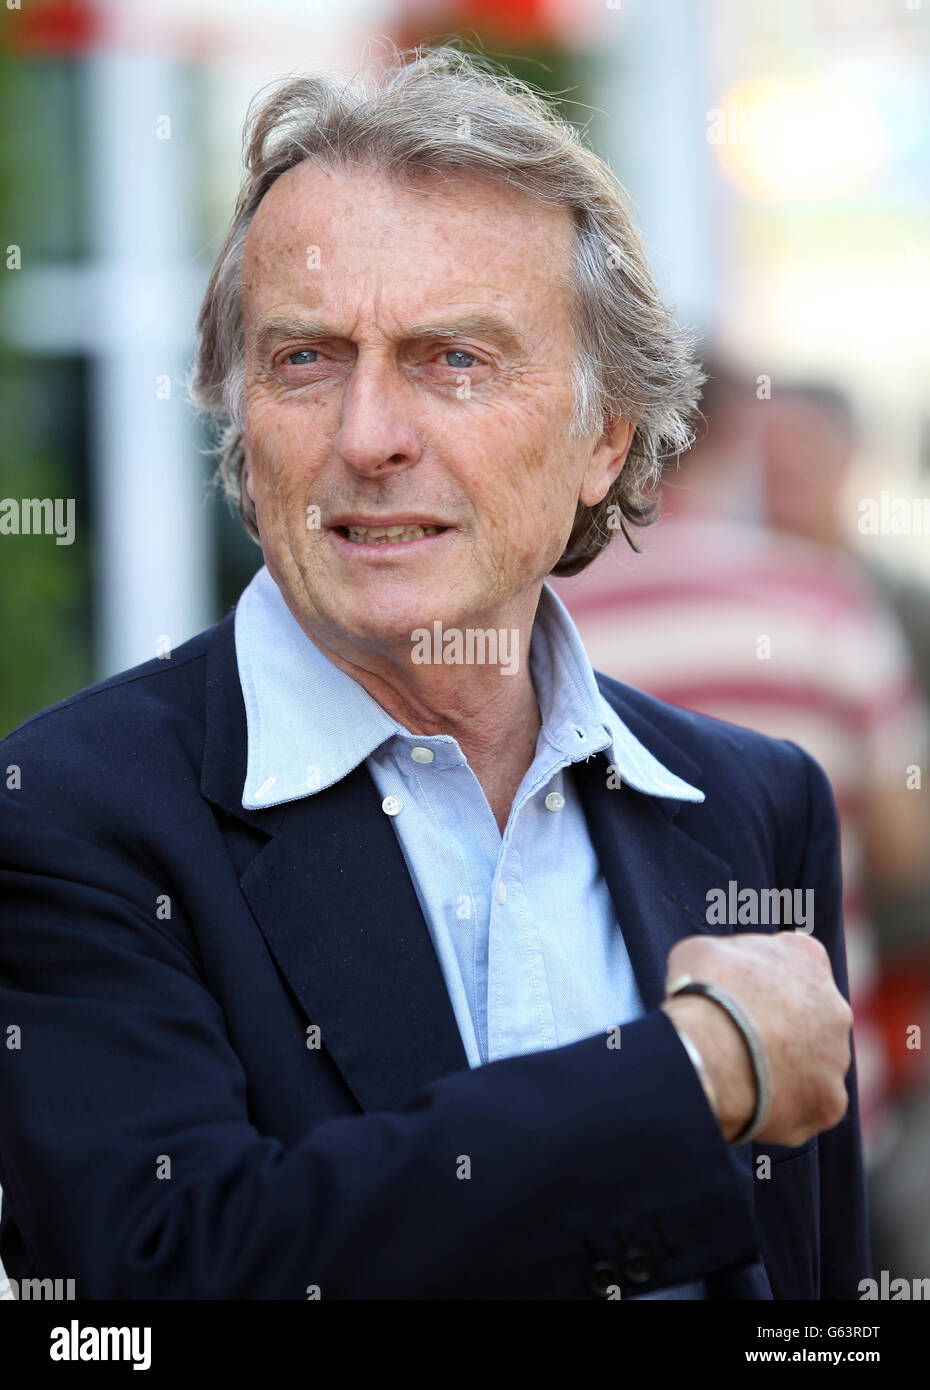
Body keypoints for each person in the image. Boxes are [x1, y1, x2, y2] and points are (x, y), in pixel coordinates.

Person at [0, 46, 864, 1300]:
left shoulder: (751, 804)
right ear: (242, 425)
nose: (368, 436)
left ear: (602, 437)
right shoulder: (72, 811)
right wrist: (691, 1078)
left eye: (453, 358)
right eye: (305, 361)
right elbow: (171, 1277)